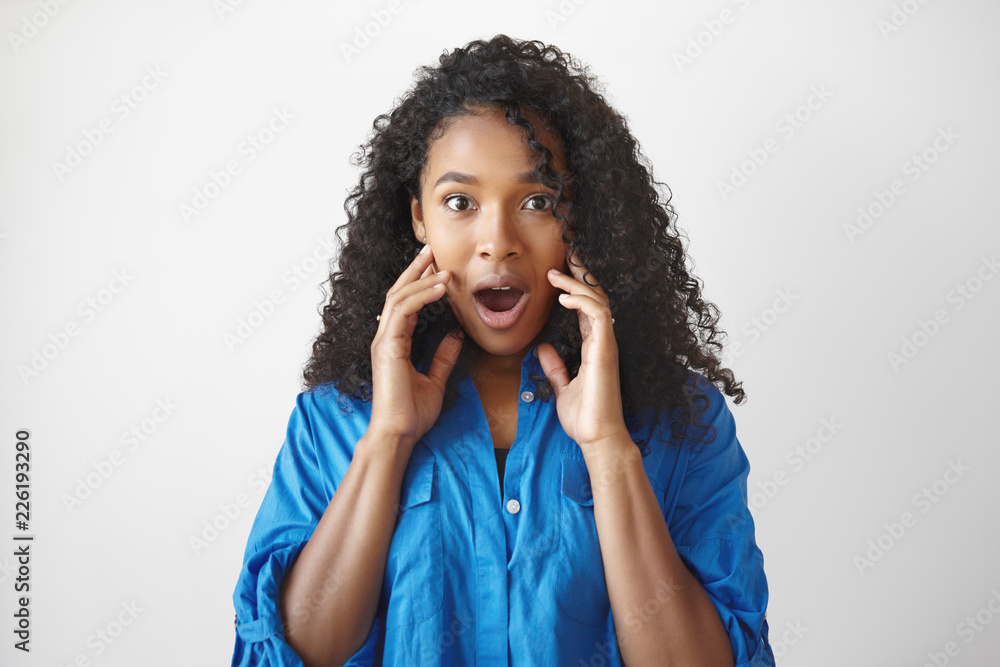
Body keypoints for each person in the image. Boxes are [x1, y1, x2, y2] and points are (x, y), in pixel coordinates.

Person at [231, 34, 775, 666]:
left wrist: (608, 450)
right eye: (460, 202)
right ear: (418, 220)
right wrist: (387, 440)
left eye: (538, 202)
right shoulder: (333, 421)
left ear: (580, 217)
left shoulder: (683, 420)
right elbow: (285, 654)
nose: (497, 240)